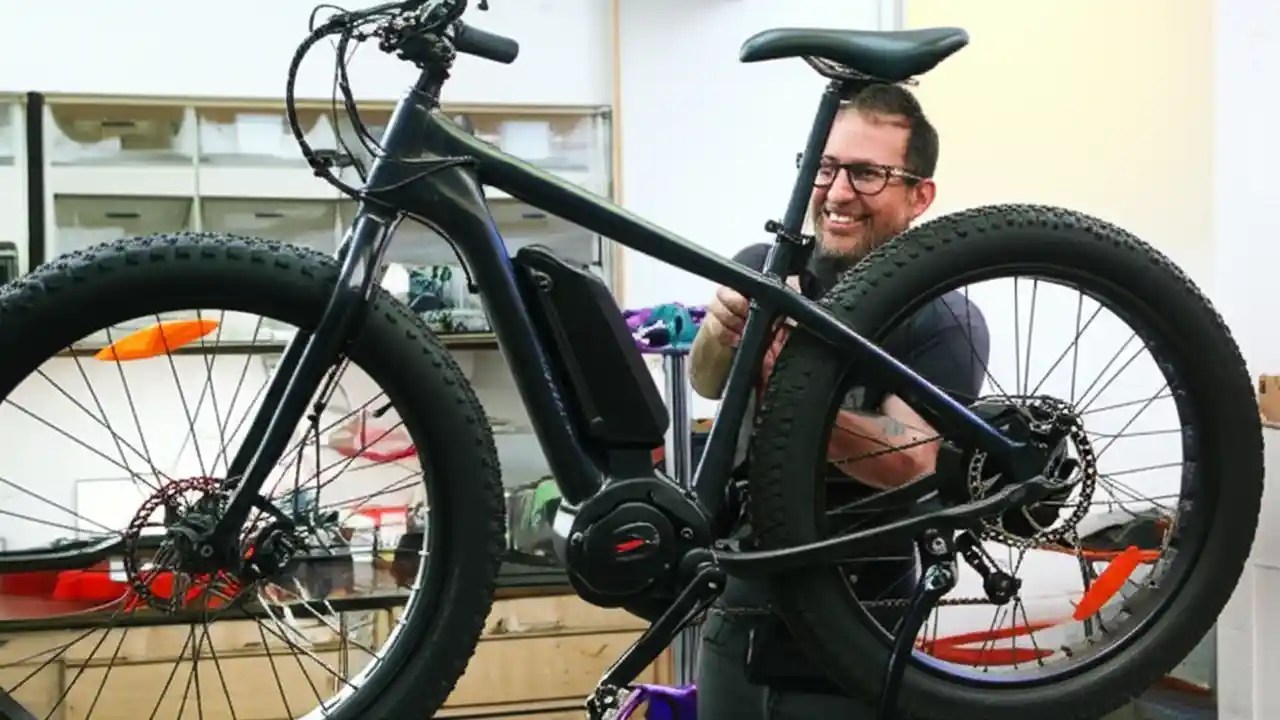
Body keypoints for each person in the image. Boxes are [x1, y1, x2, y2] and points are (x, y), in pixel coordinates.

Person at [688, 83, 991, 719]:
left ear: (919, 196)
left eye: (868, 173)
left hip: (860, 616)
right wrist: (720, 334)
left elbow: (908, 465)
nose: (839, 192)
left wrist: (792, 385)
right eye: (827, 167)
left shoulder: (942, 318)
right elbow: (706, 382)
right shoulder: (763, 268)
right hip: (740, 597)